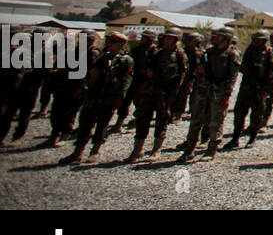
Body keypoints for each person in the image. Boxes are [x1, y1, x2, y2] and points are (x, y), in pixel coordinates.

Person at [60, 31, 134, 165]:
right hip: (94, 95)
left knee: (102, 125)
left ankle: (94, 151)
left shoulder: (126, 60)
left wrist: (120, 97)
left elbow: (126, 80)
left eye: (113, 42)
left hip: (109, 97)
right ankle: (77, 153)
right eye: (109, 41)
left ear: (122, 44)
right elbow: (90, 74)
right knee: (85, 123)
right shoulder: (102, 57)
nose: (109, 44)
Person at [178, 28, 241, 162]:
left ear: (225, 38)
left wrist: (227, 95)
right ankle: (189, 150)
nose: (214, 38)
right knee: (196, 120)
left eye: (217, 36)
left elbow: (232, 76)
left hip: (219, 92)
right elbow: (199, 70)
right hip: (203, 90)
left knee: (215, 121)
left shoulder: (231, 54)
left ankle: (211, 149)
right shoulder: (208, 52)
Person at [127, 26, 186, 161]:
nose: (166, 40)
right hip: (151, 91)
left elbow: (181, 76)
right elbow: (149, 70)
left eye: (170, 38)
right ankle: (138, 150)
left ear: (176, 40)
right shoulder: (158, 53)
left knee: (161, 120)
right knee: (143, 119)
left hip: (166, 94)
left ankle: (156, 149)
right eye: (165, 37)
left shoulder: (179, 55)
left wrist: (174, 94)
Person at [227, 30, 273, 150]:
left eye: (259, 40)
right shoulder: (250, 50)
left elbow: (271, 73)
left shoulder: (269, 53)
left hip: (259, 89)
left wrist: (265, 89)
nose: (256, 42)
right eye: (255, 39)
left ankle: (252, 138)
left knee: (256, 115)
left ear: (264, 41)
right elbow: (243, 66)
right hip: (246, 87)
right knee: (239, 114)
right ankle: (235, 138)